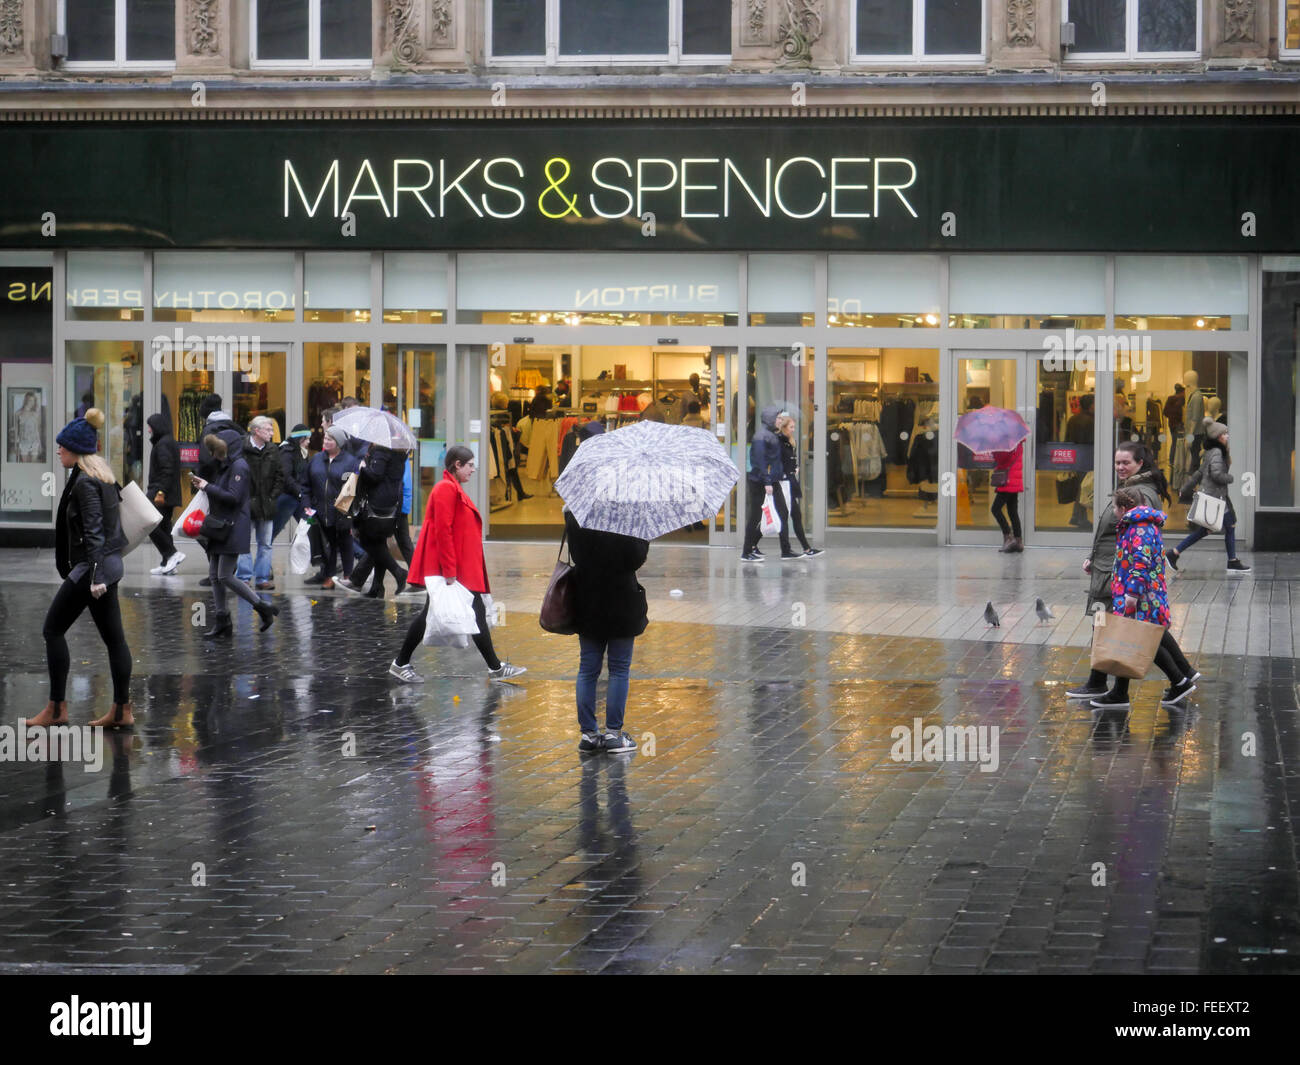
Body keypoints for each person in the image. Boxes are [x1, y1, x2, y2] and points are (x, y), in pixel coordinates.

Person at [27, 408, 135, 730]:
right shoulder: (102, 477)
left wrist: (96, 577)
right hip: (105, 568)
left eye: (62, 445)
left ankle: (57, 708)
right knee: (115, 640)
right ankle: (121, 710)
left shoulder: (86, 483)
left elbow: (94, 532)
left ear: (76, 449)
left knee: (52, 629)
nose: (58, 450)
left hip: (92, 571)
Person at [389, 446, 526, 683]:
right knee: (436, 613)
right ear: (457, 464)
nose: (473, 469)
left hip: (457, 567)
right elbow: (443, 531)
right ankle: (401, 663)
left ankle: (495, 667)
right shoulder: (446, 489)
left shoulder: (452, 488)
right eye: (470, 465)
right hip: (450, 569)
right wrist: (450, 571)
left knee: (473, 612)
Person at [1067, 440, 1177, 701]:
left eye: (1126, 462)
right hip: (1108, 570)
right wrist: (1092, 557)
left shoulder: (1141, 493)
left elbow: (1140, 537)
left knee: (1115, 628)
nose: (1120, 467)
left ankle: (1179, 677)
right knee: (1108, 626)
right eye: (1117, 462)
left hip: (1117, 575)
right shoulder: (1130, 487)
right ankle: (1106, 684)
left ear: (1140, 463)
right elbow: (1110, 532)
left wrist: (1132, 583)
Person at [1089, 487, 1199, 709]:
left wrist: (1132, 593)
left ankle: (1179, 680)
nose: (1113, 512)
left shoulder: (1139, 529)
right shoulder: (1137, 526)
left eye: (1114, 508)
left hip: (1141, 597)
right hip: (1141, 594)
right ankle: (1122, 693)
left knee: (1143, 640)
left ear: (1123, 508)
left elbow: (1141, 562)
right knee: (1141, 637)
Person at [565, 507, 647, 754]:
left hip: (587, 598)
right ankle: (613, 734)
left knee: (588, 668)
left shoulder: (576, 511)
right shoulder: (628, 513)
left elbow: (576, 554)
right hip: (621, 599)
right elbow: (636, 558)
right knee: (619, 668)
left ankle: (589, 735)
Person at [191, 429, 278, 636]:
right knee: (214, 576)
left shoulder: (239, 466)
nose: (215, 455)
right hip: (220, 526)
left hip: (232, 528)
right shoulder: (225, 465)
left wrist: (207, 486)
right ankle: (223, 620)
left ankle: (262, 607)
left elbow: (233, 497)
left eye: (217, 450)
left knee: (225, 575)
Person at [1167, 419, 1251, 574]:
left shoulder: (1211, 451)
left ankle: (1175, 553)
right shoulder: (1218, 452)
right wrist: (1230, 478)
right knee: (1226, 526)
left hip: (1216, 496)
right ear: (1217, 437)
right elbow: (1217, 474)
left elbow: (1199, 473)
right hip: (1216, 498)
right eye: (1224, 434)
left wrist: (1186, 488)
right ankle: (1231, 561)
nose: (1227, 436)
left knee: (1215, 528)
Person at [353, 443, 409, 598]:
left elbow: (375, 476)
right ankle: (377, 587)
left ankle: (399, 573)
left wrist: (363, 467)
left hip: (376, 504)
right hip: (390, 505)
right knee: (379, 542)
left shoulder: (381, 451)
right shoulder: (400, 453)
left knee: (367, 540)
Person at [307, 425, 360, 590]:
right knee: (327, 545)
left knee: (345, 543)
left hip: (341, 511)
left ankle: (348, 576)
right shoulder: (316, 459)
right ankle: (329, 576)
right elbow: (306, 484)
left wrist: (344, 512)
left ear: (338, 443)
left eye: (329, 439)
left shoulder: (350, 462)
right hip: (320, 511)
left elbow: (351, 488)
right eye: (325, 438)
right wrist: (307, 505)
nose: (325, 441)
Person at [235, 415, 283, 591]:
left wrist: (273, 496)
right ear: (256, 430)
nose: (272, 433)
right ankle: (244, 578)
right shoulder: (242, 448)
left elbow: (280, 475)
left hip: (267, 504)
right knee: (243, 543)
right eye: (268, 429)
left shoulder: (272, 450)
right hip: (247, 504)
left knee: (266, 543)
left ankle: (262, 578)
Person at [741, 405, 794, 562]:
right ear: (770, 419)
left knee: (783, 512)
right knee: (755, 517)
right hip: (761, 481)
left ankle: (786, 550)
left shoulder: (770, 435)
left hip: (771, 480)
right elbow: (760, 461)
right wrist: (767, 481)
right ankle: (746, 551)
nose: (780, 421)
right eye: (778, 418)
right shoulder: (761, 436)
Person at [775, 413, 823, 557]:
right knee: (783, 517)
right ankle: (785, 550)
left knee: (796, 515)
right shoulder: (778, 441)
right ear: (783, 427)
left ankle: (806, 548)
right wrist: (786, 471)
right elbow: (776, 461)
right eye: (791, 427)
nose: (793, 429)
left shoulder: (790, 441)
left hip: (790, 482)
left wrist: (795, 467)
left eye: (794, 427)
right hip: (782, 483)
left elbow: (791, 459)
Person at [145, 411, 185, 575]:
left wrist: (160, 492)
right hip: (167, 493)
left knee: (149, 524)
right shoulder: (168, 442)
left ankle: (172, 554)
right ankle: (167, 563)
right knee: (164, 526)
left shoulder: (163, 444)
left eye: (150, 427)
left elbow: (166, 470)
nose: (149, 430)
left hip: (160, 493)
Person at [274, 423, 312, 541]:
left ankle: (317, 555)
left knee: (311, 523)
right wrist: (300, 492)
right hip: (287, 499)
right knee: (273, 531)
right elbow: (286, 476)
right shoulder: (286, 452)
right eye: (307, 439)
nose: (309, 442)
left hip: (299, 498)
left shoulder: (302, 452)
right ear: (300, 439)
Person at [1064, 395, 1095, 528]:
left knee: (1080, 487)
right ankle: (1080, 518)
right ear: (1090, 405)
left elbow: (1067, 439)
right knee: (1084, 488)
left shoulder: (1073, 419)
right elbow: (1091, 441)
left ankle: (1076, 516)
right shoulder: (1091, 421)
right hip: (1087, 458)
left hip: (1076, 457)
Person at [990, 440, 1025, 552]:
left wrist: (994, 449)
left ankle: (1008, 537)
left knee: (995, 509)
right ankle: (1018, 541)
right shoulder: (1018, 442)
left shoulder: (1008, 442)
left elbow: (1001, 459)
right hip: (1014, 480)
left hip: (1008, 481)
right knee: (1012, 511)